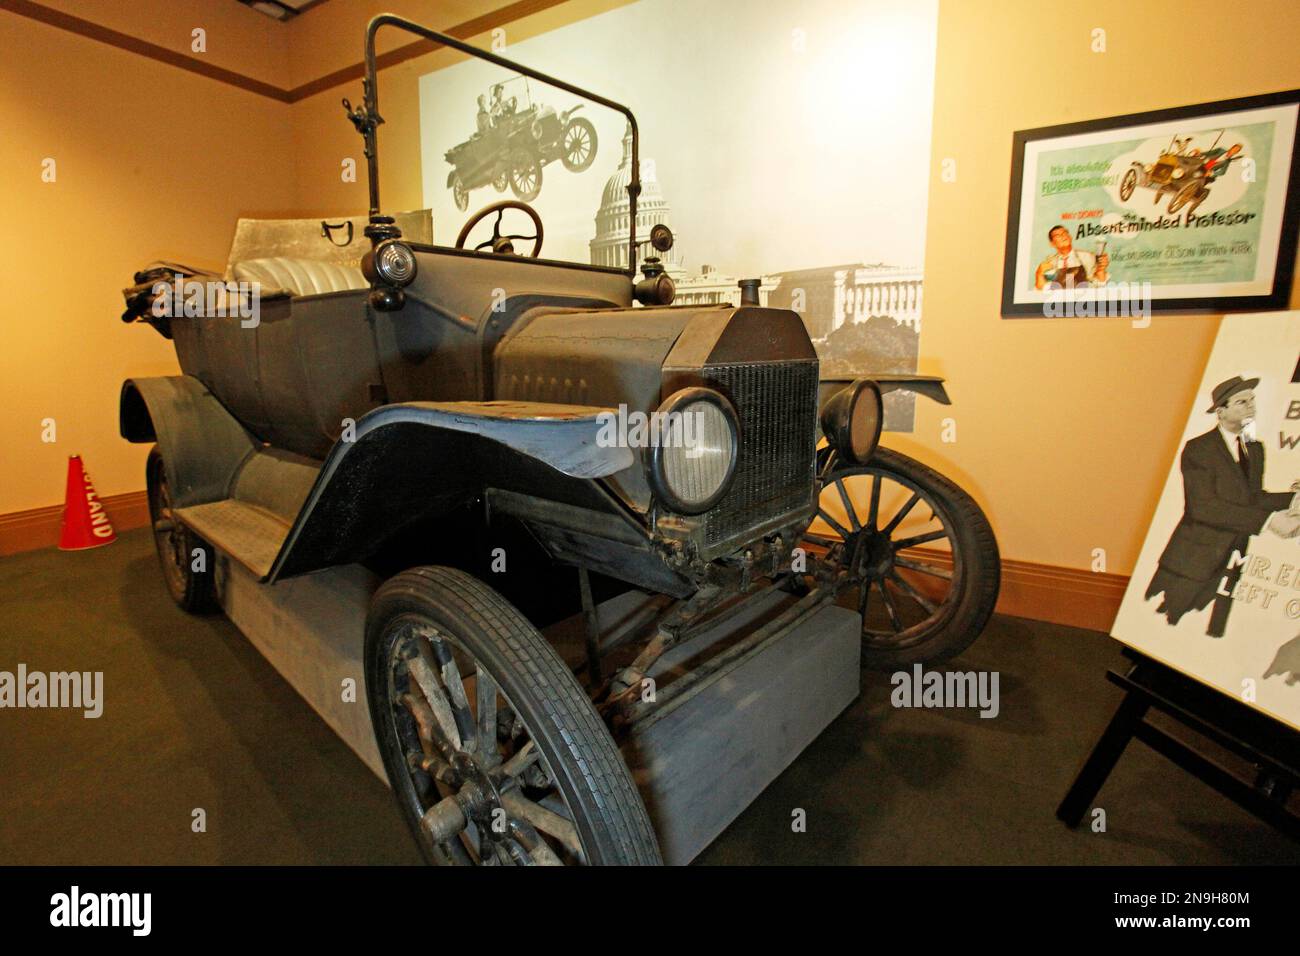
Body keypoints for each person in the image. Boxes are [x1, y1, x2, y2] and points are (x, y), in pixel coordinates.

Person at [1145, 375, 1300, 638]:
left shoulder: (1255, 448)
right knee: (1166, 628)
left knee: (1214, 632)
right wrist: (1268, 521)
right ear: (1220, 411)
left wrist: (1292, 498)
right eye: (1242, 401)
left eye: (1252, 400)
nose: (1251, 406)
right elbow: (1203, 507)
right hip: (1191, 560)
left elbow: (1253, 498)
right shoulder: (1198, 448)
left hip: (1234, 553)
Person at [1034, 225, 1109, 290]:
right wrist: (1039, 274)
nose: (1063, 236)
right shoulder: (1050, 263)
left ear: (1070, 237)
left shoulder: (1088, 257)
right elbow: (1042, 290)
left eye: (1065, 233)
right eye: (1057, 235)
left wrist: (1100, 270)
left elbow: (1100, 285)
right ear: (1052, 244)